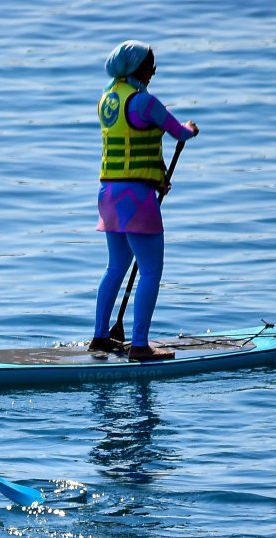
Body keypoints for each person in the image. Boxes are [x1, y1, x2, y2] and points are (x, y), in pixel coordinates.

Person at [89, 40, 199, 361]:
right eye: (151, 65)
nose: (154, 71)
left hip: (108, 193)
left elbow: (132, 143)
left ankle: (100, 337)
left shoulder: (107, 99)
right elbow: (178, 131)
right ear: (138, 68)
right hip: (136, 197)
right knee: (151, 270)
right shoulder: (144, 102)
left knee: (116, 266)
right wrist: (190, 129)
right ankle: (139, 345)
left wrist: (157, 173)